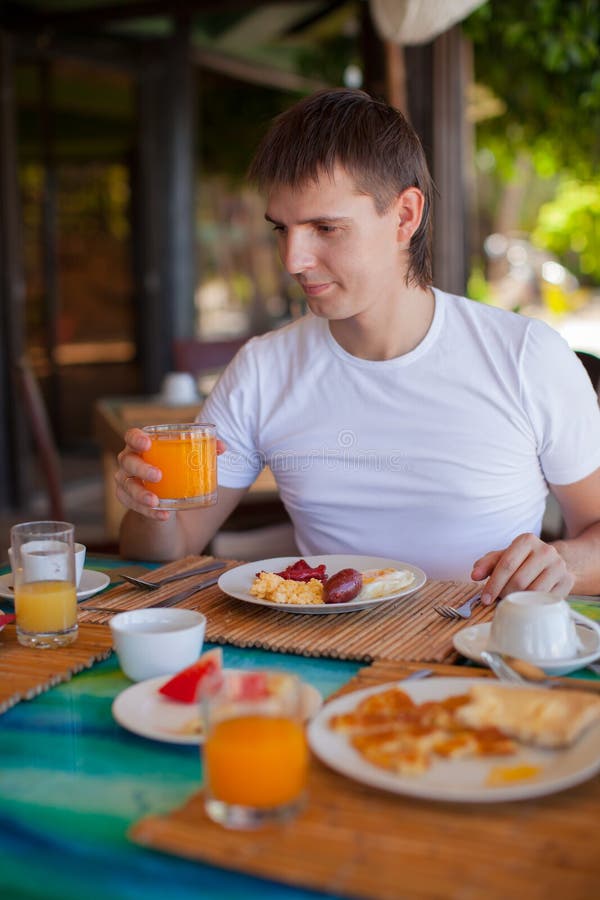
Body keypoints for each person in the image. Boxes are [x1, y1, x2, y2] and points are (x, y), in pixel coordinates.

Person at [116, 88, 600, 604]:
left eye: (325, 228)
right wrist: (153, 508)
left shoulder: (527, 356)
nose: (293, 260)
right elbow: (164, 552)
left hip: (481, 657)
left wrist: (564, 561)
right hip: (324, 657)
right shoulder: (265, 368)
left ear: (405, 216)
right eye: (282, 229)